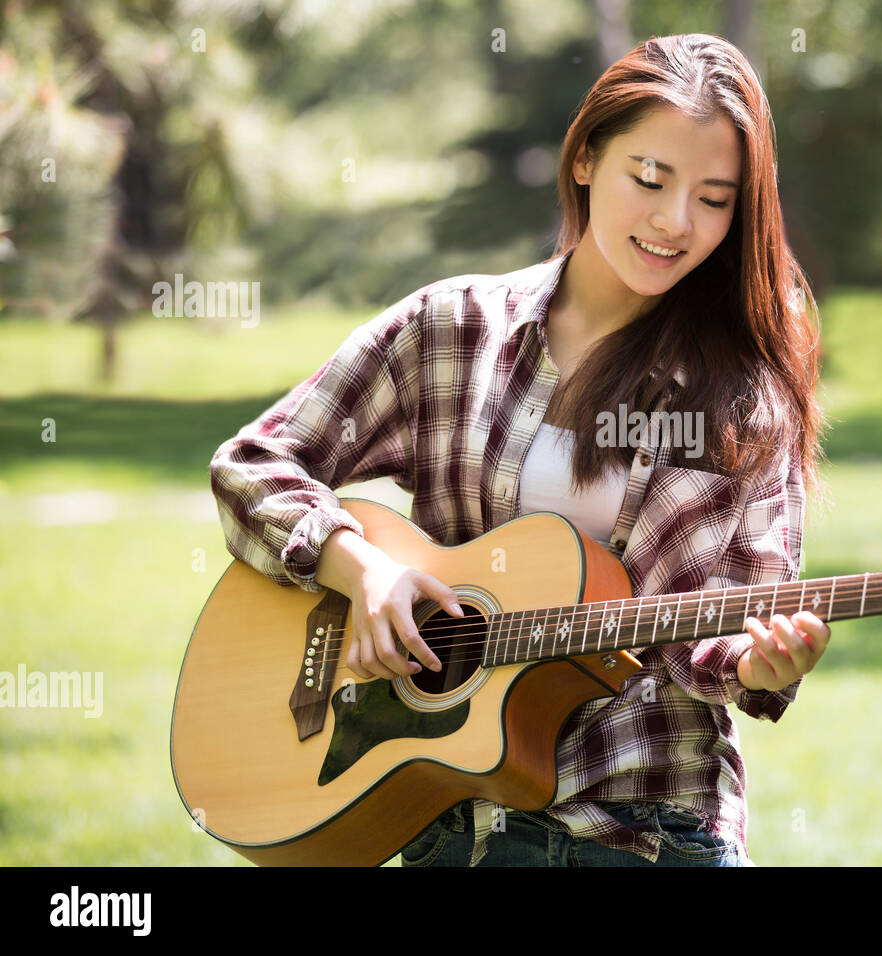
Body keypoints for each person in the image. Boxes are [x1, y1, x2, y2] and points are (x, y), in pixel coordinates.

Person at [209, 32, 830, 867]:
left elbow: (720, 633)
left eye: (715, 199)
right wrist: (363, 570)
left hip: (649, 827)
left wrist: (758, 660)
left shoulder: (743, 398)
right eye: (649, 178)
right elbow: (254, 466)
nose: (675, 221)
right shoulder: (453, 330)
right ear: (584, 159)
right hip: (456, 827)